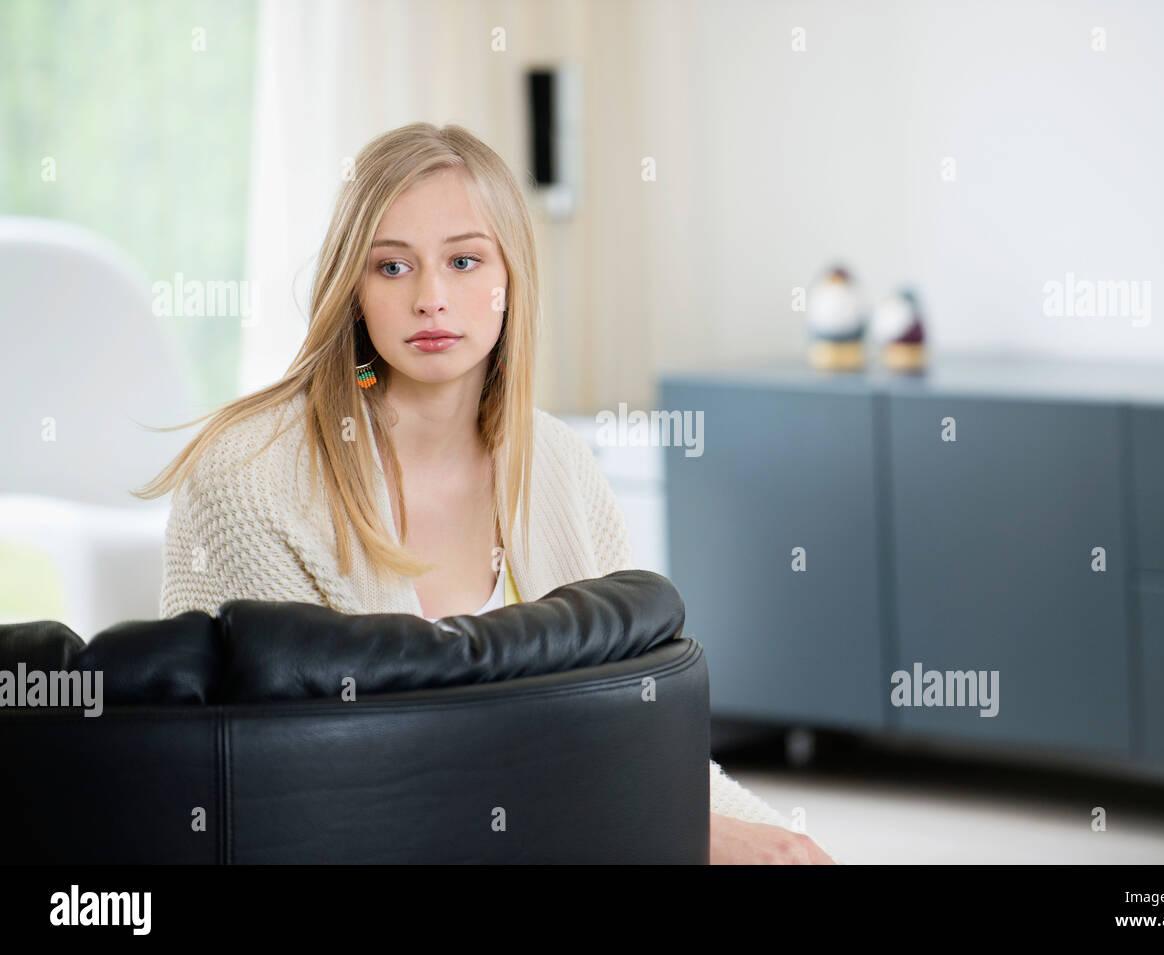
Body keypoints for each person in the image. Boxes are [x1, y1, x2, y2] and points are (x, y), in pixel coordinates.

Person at [135, 122, 836, 865]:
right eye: (393, 268)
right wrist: (670, 828)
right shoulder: (249, 479)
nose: (432, 299)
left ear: (511, 280)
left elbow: (636, 731)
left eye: (464, 261)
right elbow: (312, 787)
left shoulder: (560, 467)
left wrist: (774, 840)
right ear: (353, 290)